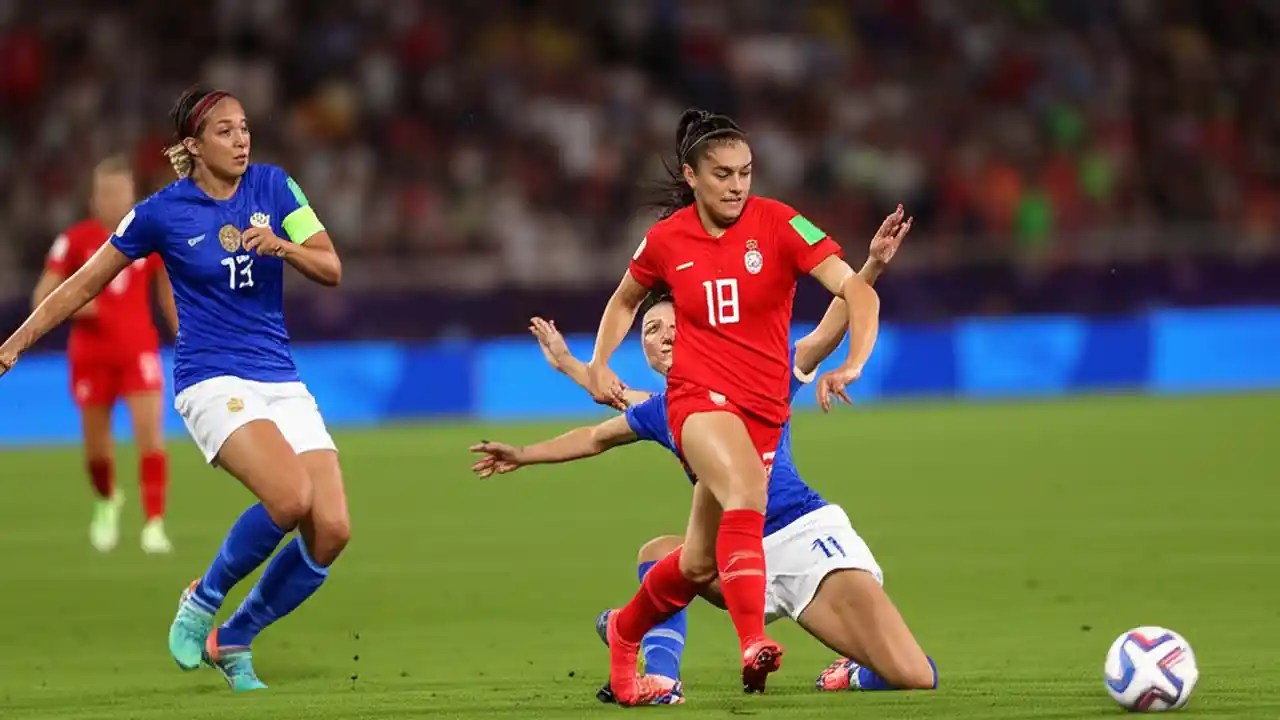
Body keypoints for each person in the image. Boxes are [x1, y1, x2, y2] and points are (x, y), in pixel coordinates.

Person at [472, 208, 934, 705]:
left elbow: (824, 334)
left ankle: (854, 672)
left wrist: (870, 269)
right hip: (737, 562)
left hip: (800, 537)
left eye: (673, 325)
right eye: (650, 330)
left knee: (913, 673)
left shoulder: (760, 372)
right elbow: (595, 433)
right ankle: (663, 673)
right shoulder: (666, 409)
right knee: (659, 554)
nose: (664, 335)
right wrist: (531, 437)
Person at [0, 85, 349, 693]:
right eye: (225, 131)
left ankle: (235, 636)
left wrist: (284, 247)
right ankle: (202, 598)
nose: (241, 139)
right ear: (193, 145)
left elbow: (331, 267)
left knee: (333, 530)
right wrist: (17, 341)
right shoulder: (162, 211)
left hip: (280, 377)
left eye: (244, 127)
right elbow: (84, 284)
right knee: (291, 498)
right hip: (210, 377)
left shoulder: (275, 186)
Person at [580, 108, 882, 703]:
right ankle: (751, 642)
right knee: (748, 491)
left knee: (694, 564)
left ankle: (624, 631)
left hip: (758, 408)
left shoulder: (781, 224)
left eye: (745, 172)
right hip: (695, 400)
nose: (738, 184)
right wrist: (597, 363)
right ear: (692, 176)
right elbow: (623, 302)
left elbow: (854, 291)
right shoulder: (667, 240)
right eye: (723, 174)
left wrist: (855, 362)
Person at [32, 156, 179, 554]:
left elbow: (168, 295)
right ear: (94, 197)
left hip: (138, 350)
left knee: (151, 436)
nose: (115, 199)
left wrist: (184, 336)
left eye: (122, 191)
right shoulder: (76, 240)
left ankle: (154, 523)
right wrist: (81, 307)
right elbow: (41, 295)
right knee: (97, 449)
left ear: (133, 195)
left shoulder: (149, 235)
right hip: (91, 355)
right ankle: (106, 499)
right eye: (107, 191)